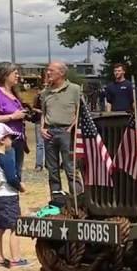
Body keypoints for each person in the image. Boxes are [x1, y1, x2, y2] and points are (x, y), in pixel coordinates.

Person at [38, 61, 83, 203]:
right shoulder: (45, 92)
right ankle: (57, 201)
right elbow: (43, 113)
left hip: (67, 132)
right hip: (49, 132)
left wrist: (71, 128)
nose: (48, 73)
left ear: (62, 73)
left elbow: (80, 110)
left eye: (51, 70)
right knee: (52, 170)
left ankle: (78, 202)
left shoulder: (74, 89)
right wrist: (42, 128)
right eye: (47, 70)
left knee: (71, 168)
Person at [0, 123, 27, 268]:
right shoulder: (5, 158)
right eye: (9, 137)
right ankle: (16, 259)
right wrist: (20, 186)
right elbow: (11, 178)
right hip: (8, 196)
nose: (11, 140)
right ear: (2, 139)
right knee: (15, 228)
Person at [0, 62, 28, 171]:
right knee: (8, 174)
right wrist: (12, 116)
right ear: (5, 75)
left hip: (17, 140)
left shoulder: (13, 94)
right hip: (3, 142)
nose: (18, 76)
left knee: (17, 173)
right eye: (15, 73)